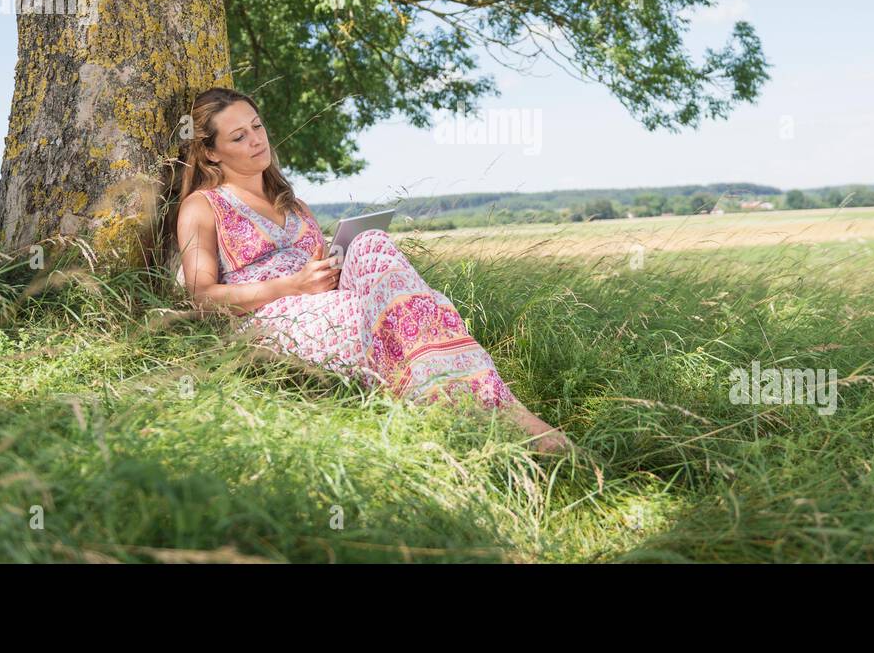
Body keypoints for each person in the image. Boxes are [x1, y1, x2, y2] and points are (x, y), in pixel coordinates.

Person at [170, 87, 574, 455]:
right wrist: (291, 285)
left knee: (372, 246)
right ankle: (512, 426)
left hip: (324, 301)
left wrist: (327, 267)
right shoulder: (204, 206)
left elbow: (324, 268)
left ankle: (489, 416)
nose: (257, 140)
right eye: (238, 136)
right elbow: (200, 296)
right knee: (411, 311)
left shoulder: (292, 203)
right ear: (211, 153)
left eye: (257, 126)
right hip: (269, 317)